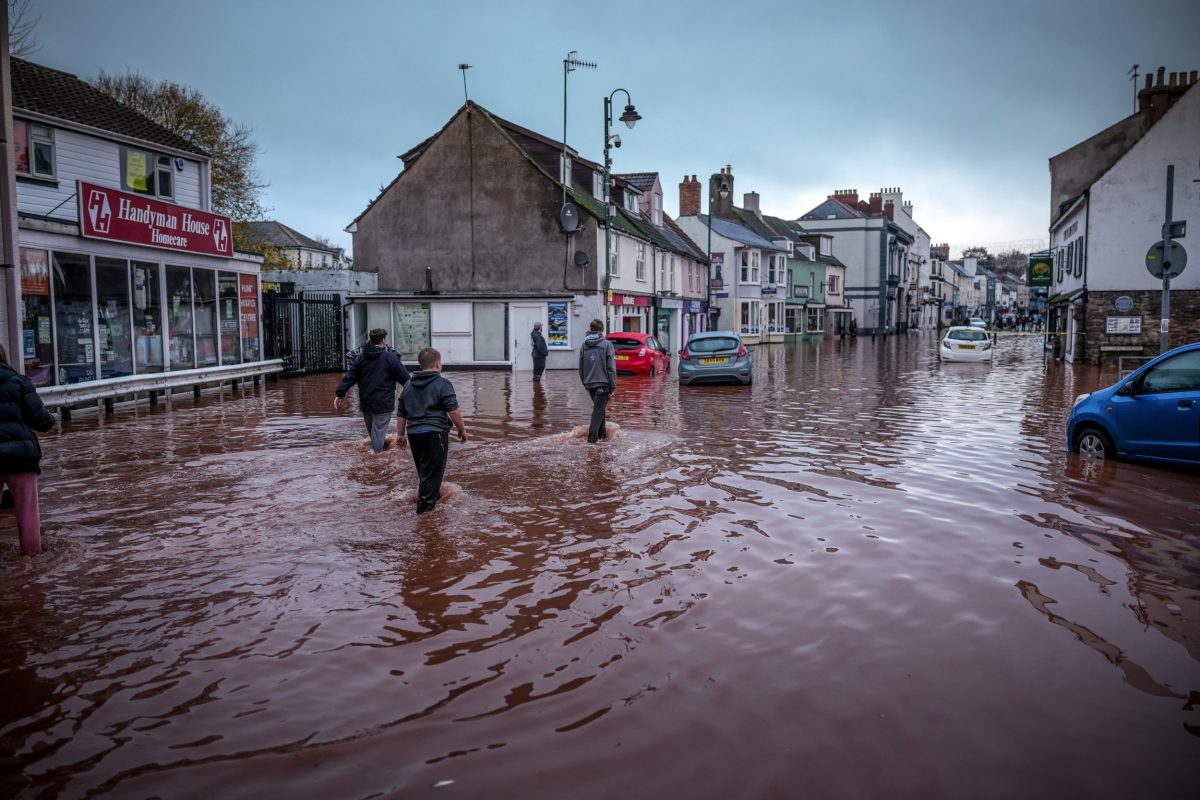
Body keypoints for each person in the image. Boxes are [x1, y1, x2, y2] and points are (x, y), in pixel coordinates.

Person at [0, 342, 56, 556]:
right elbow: (41, 421)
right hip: (20, 458)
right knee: (28, 516)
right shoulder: (18, 382)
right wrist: (50, 419)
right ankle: (31, 563)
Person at [396, 348, 468, 514]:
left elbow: (401, 413)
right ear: (438, 364)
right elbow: (453, 411)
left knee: (425, 474)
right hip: (435, 434)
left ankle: (428, 507)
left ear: (420, 365)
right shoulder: (443, 383)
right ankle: (425, 517)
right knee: (432, 476)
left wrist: (400, 435)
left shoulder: (408, 385)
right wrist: (462, 429)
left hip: (414, 434)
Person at [334, 328, 410, 453]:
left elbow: (350, 376)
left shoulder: (361, 357)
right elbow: (405, 379)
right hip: (383, 404)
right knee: (378, 435)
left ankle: (375, 453)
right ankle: (376, 459)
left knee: (374, 435)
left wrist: (340, 394)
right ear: (383, 340)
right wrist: (417, 392)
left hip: (366, 404)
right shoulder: (389, 357)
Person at [578, 319, 617, 444]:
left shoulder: (584, 345)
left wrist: (585, 383)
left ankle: (602, 436)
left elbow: (580, 367)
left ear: (591, 329)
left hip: (589, 384)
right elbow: (611, 368)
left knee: (600, 409)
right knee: (598, 411)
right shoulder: (607, 344)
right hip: (603, 384)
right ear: (602, 330)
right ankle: (591, 441)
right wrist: (613, 387)